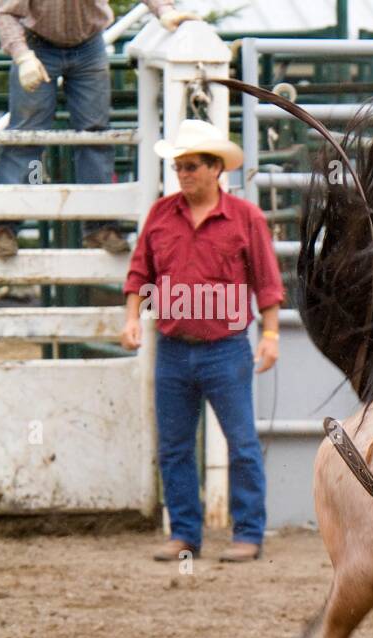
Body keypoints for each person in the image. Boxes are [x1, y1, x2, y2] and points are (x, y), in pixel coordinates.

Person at [119, 120, 284, 563]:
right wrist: (133, 316)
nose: (183, 174)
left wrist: (269, 334)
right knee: (175, 445)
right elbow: (140, 273)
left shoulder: (246, 218)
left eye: (191, 166)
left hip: (225, 345)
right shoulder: (160, 214)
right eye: (179, 167)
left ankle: (247, 533)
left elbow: (266, 280)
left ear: (215, 169)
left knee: (241, 443)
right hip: (175, 345)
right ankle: (186, 534)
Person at [0, 0, 200, 258]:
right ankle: (4, 227)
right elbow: (5, 14)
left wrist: (165, 10)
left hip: (87, 43)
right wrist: (22, 55)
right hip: (40, 43)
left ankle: (100, 226)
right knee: (26, 135)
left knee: (94, 135)